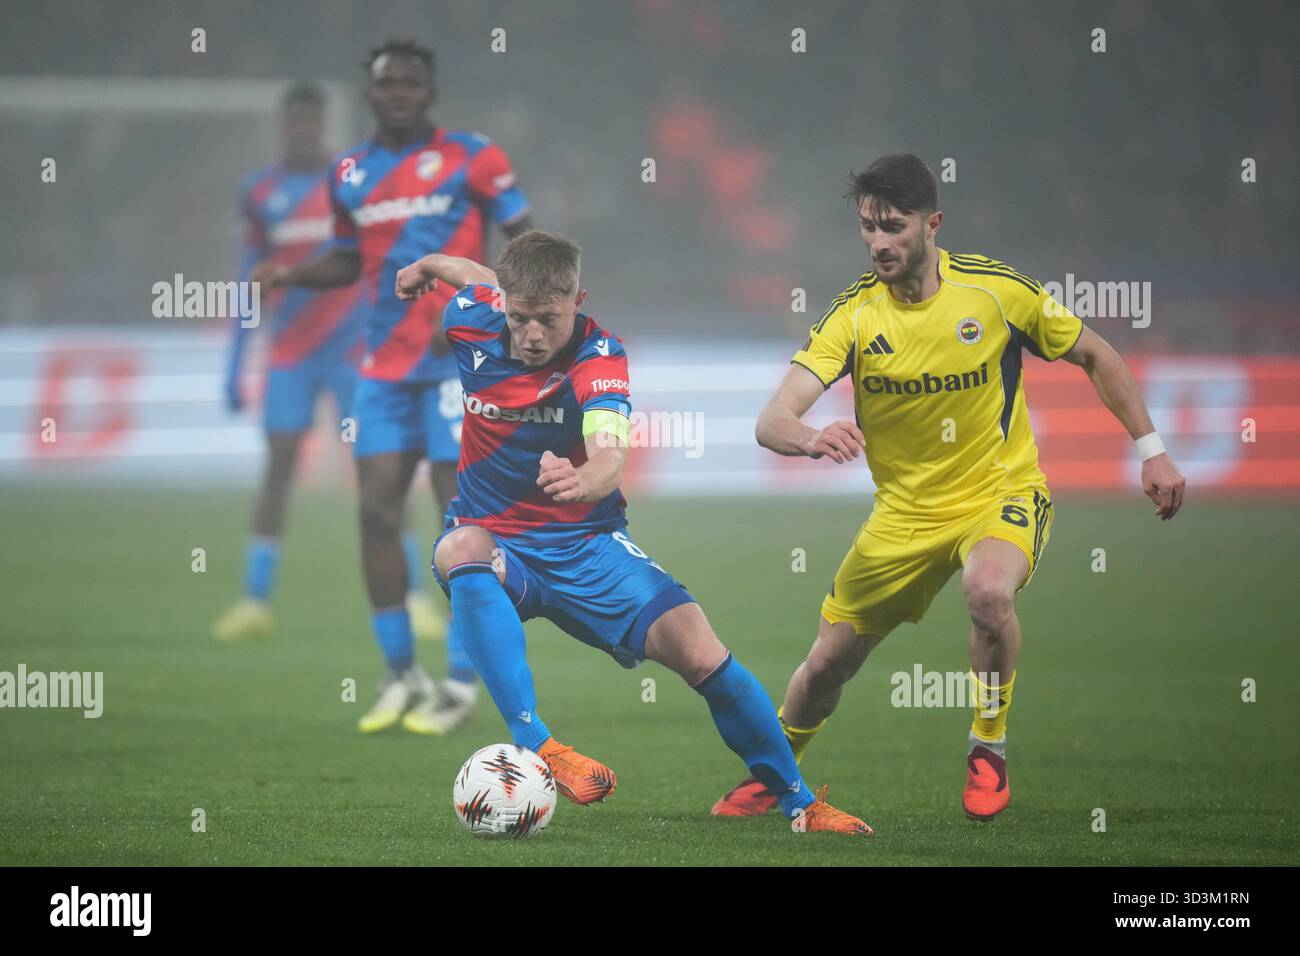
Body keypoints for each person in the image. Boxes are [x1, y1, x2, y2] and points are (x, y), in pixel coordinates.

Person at [712, 153, 1186, 822]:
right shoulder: (853, 317)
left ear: (933, 224)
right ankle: (776, 769)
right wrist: (810, 436)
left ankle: (987, 747)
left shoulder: (995, 293)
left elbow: (1095, 354)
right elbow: (772, 419)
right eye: (868, 227)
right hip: (903, 514)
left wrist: (1153, 452)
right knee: (825, 666)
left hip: (1000, 493)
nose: (879, 242)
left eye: (894, 227)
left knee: (988, 593)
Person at [394, 231, 873, 834]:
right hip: (498, 544)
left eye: (548, 318)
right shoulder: (472, 314)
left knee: (702, 653)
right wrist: (423, 265)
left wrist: (585, 477)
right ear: (504, 302)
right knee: (460, 547)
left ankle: (800, 804)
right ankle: (539, 744)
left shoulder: (600, 356)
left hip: (587, 546)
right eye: (520, 317)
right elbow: (468, 274)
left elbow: (610, 455)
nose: (533, 333)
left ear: (578, 299)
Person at [252, 41, 533, 735]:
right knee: (375, 512)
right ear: (371, 94)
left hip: (456, 368)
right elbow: (350, 260)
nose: (400, 92)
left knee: (460, 523)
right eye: (388, 83)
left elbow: (526, 244)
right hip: (380, 368)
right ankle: (400, 672)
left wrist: (482, 314)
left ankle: (463, 683)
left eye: (412, 82)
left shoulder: (475, 156)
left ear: (429, 90)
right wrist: (289, 274)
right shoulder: (349, 172)